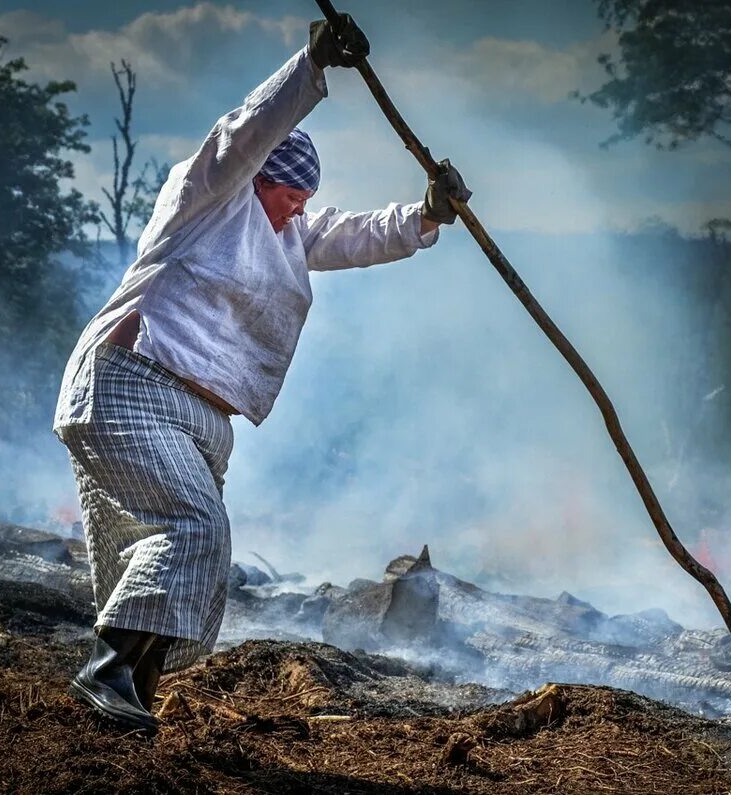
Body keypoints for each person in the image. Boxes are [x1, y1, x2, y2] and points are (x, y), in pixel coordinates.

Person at [52, 14, 469, 734]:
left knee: (188, 556)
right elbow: (243, 132)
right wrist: (311, 67)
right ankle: (105, 672)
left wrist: (424, 214)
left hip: (202, 421)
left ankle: (130, 700)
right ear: (260, 178)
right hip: (131, 382)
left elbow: (354, 232)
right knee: (194, 528)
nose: (297, 213)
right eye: (288, 196)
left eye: (305, 204)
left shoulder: (290, 230)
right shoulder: (207, 197)